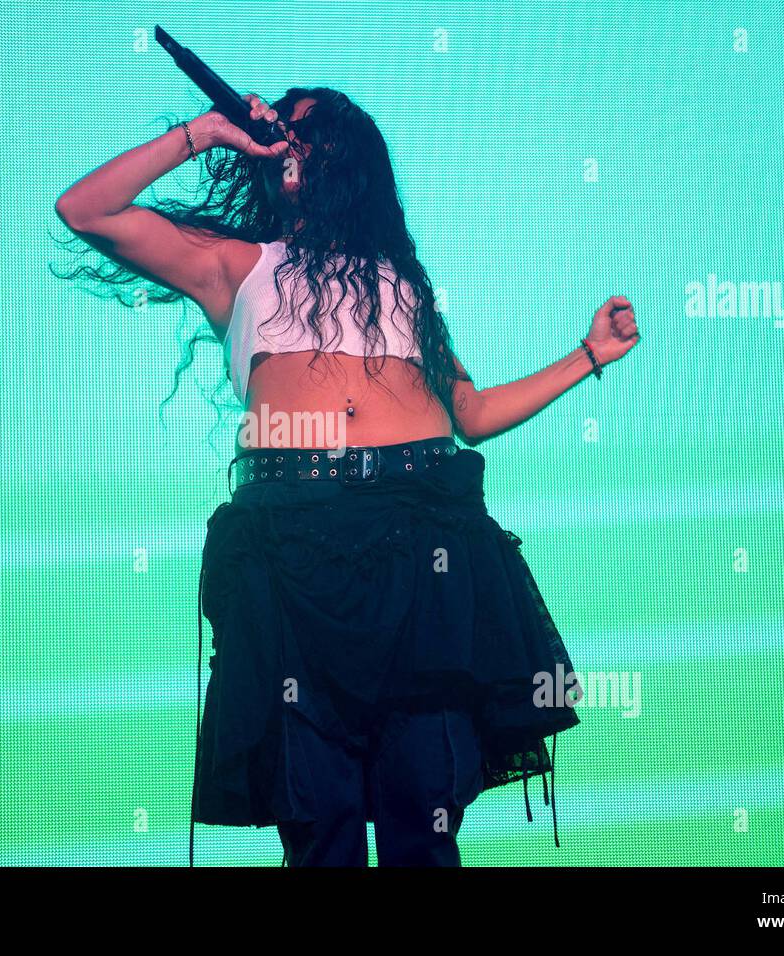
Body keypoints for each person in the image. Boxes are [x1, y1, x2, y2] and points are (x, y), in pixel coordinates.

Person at [54, 87, 640, 866]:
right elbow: (86, 210)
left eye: (309, 135)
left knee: (421, 815)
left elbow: (470, 411)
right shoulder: (239, 266)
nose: (289, 145)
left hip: (422, 539)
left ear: (349, 159)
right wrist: (210, 132)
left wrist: (588, 355)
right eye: (281, 135)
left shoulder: (404, 283)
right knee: (319, 821)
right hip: (294, 552)